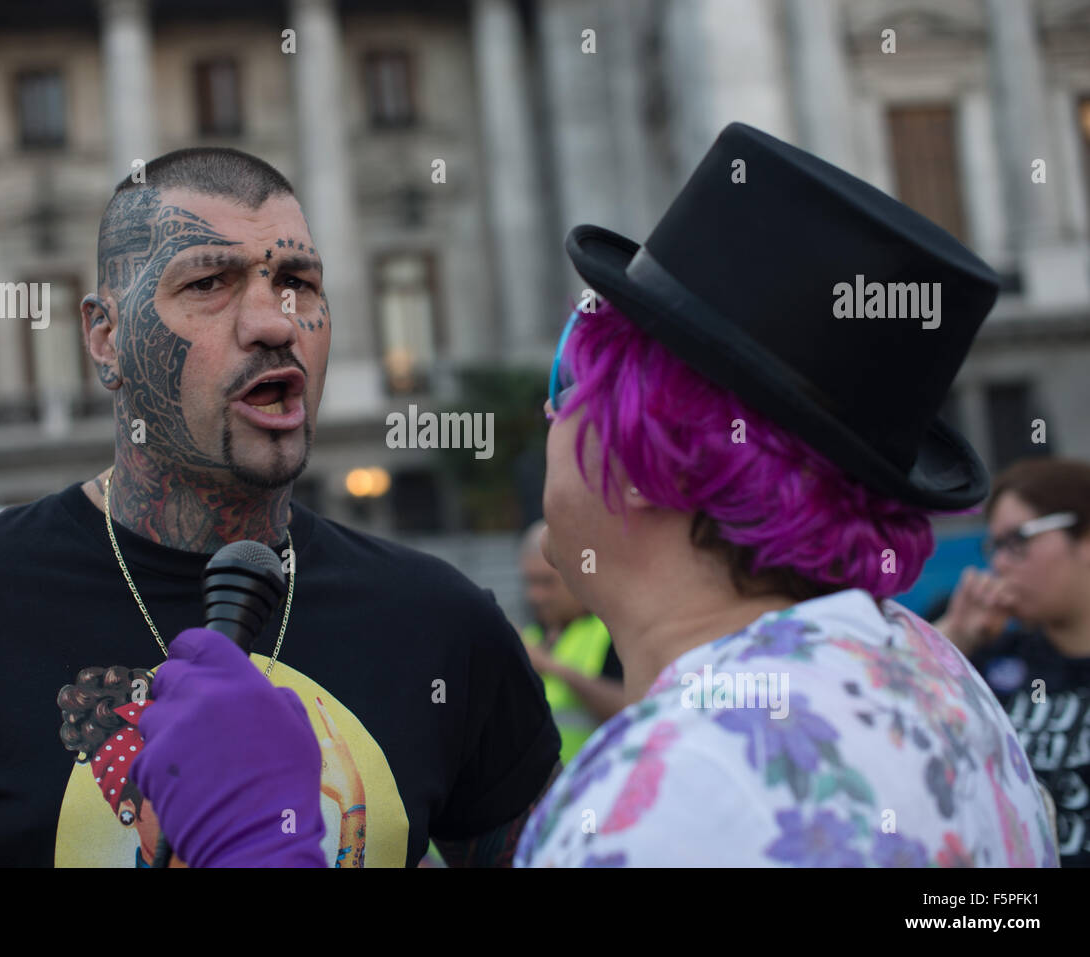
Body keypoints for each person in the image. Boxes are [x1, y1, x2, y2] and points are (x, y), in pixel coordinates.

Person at [130, 123, 1059, 868]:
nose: (545, 408)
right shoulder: (935, 673)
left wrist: (261, 837)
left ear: (651, 452)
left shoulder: (670, 794)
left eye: (570, 380)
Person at [0, 148, 562, 868]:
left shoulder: (443, 625)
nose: (273, 321)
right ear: (105, 336)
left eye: (299, 282)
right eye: (207, 283)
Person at [935, 458, 1090, 866]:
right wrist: (955, 637)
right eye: (996, 547)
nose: (1000, 563)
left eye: (1018, 541)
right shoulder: (991, 657)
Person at [519, 520, 626, 762]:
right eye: (529, 582)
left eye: (547, 583)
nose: (535, 595)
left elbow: (630, 708)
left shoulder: (612, 631)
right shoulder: (533, 636)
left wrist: (550, 666)